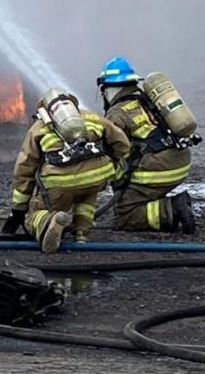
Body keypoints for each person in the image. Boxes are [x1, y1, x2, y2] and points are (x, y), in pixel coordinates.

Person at [8, 88, 130, 253]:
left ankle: (49, 222)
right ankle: (81, 235)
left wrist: (19, 206)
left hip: (60, 183)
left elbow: (25, 167)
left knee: (34, 215)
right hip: (97, 177)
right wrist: (112, 162)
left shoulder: (38, 128)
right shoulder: (92, 117)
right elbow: (122, 143)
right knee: (86, 197)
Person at [97, 56, 196, 234]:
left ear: (108, 88)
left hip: (160, 170)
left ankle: (173, 209)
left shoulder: (116, 113)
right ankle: (159, 201)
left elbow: (110, 152)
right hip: (181, 160)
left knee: (124, 215)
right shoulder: (147, 100)